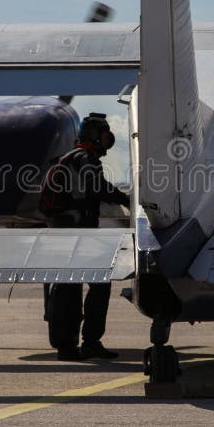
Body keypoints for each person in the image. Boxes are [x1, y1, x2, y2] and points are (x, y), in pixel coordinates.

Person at [40, 112, 130, 361]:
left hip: (63, 234)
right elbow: (98, 188)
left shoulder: (67, 158)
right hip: (78, 235)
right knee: (100, 284)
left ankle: (66, 346)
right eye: (105, 137)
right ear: (95, 136)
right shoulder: (85, 160)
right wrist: (126, 199)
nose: (107, 143)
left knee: (67, 288)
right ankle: (90, 342)